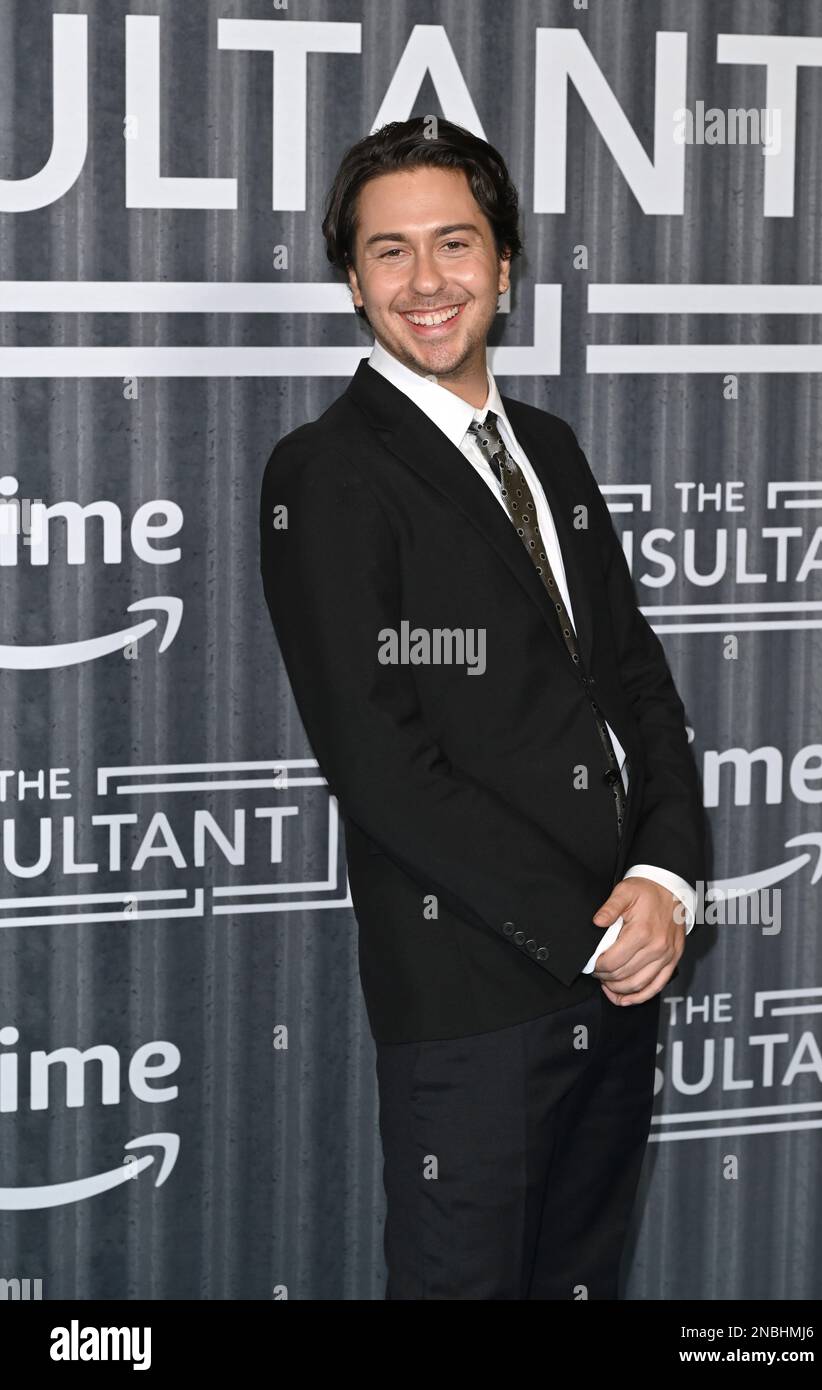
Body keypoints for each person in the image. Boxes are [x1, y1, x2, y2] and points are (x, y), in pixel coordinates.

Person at [259, 117, 707, 1300]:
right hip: (473, 1001)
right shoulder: (329, 474)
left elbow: (635, 682)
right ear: (352, 281)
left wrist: (665, 880)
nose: (426, 281)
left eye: (454, 244)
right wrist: (593, 930)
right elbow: (382, 764)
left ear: (505, 265)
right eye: (389, 252)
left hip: (620, 975)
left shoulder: (550, 451)